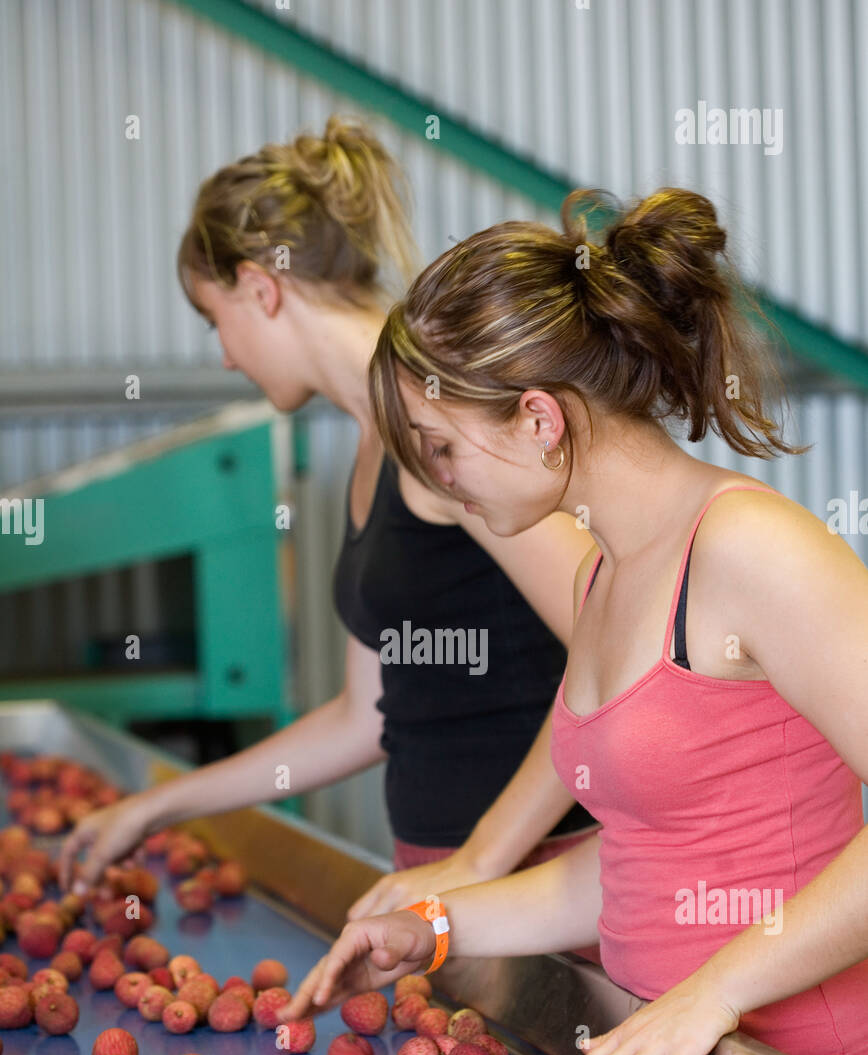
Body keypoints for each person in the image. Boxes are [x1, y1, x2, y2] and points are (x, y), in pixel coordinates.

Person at [283, 187, 868, 1055]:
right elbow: (640, 860)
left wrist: (715, 990)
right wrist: (434, 927)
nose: (436, 482)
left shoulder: (750, 549)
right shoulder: (606, 575)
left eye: (441, 448)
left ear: (539, 420)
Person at [58, 118, 599, 912]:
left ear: (261, 287)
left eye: (217, 321)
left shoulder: (434, 417)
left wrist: (485, 858)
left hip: (544, 880)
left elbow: (613, 635)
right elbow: (363, 719)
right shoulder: (375, 441)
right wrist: (157, 803)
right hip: (444, 878)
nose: (224, 355)